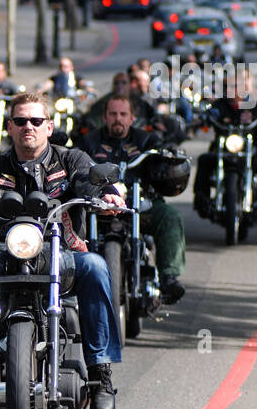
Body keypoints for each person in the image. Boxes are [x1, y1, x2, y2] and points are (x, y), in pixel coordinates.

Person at [0, 92, 124, 409]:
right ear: (9, 127)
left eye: (35, 121)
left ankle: (100, 374)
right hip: (1, 257)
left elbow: (88, 182)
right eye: (20, 121)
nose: (27, 127)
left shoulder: (70, 160)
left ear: (49, 126)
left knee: (97, 267)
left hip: (59, 256)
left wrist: (106, 195)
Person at [79, 96, 188, 304]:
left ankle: (168, 278)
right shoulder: (90, 142)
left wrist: (169, 151)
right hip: (99, 206)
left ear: (131, 118)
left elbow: (162, 147)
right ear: (104, 117)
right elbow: (75, 157)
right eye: (112, 114)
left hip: (138, 203)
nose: (117, 119)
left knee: (169, 216)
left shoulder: (146, 140)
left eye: (122, 114)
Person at [193, 67, 257, 217]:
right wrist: (204, 118)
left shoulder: (254, 106)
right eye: (229, 86)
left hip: (251, 149)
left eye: (236, 86)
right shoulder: (221, 105)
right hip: (224, 149)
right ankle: (201, 198)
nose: (232, 90)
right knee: (205, 160)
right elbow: (212, 113)